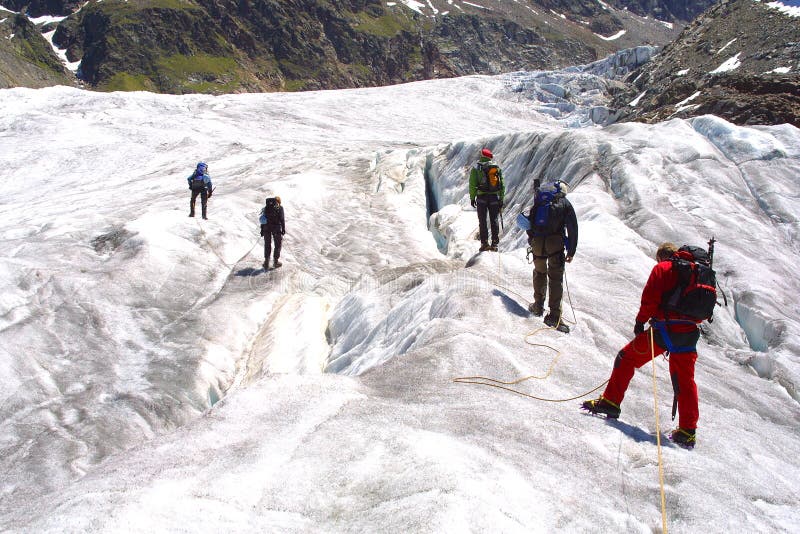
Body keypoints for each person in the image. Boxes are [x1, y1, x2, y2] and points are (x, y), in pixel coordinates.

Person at [582, 242, 702, 449]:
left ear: (663, 256)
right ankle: (687, 431)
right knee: (685, 380)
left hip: (665, 330)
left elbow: (650, 298)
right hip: (689, 334)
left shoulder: (664, 268)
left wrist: (640, 322)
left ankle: (610, 402)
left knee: (626, 357)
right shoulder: (697, 273)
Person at [526, 180, 578, 332]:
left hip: (537, 243)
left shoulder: (540, 201)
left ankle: (538, 306)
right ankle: (554, 316)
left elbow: (530, 222)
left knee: (539, 272)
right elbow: (572, 228)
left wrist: (532, 239)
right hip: (554, 243)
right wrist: (571, 250)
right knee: (555, 278)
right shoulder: (565, 204)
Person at [469, 148, 505, 252]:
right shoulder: (496, 168)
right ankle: (494, 244)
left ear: (482, 156)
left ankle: (484, 243)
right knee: (494, 220)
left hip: (481, 198)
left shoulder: (476, 168)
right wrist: (501, 198)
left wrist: (472, 198)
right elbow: (502, 184)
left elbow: (472, 184)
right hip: (494, 197)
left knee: (482, 221)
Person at [260, 196, 285, 269]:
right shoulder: (280, 208)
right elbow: (282, 219)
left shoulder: (266, 207)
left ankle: (266, 262)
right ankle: (275, 262)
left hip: (266, 228)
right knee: (277, 244)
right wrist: (283, 229)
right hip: (276, 228)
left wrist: (262, 230)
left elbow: (263, 220)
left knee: (267, 244)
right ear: (279, 202)